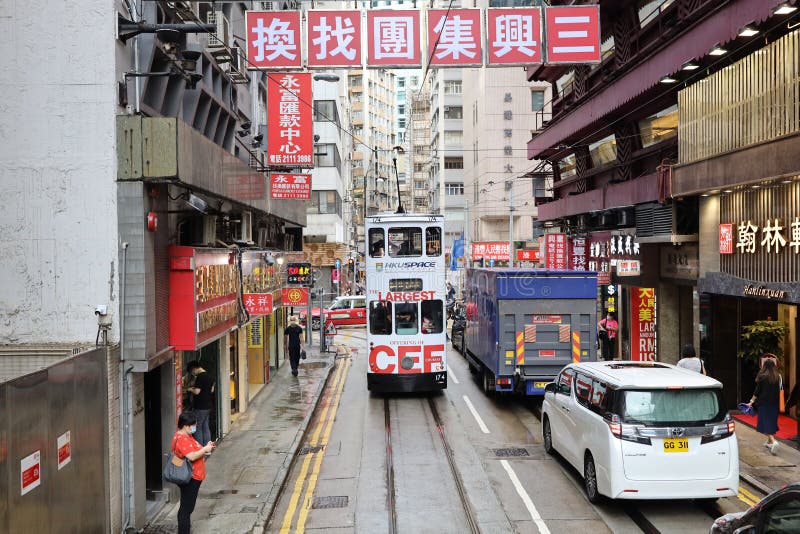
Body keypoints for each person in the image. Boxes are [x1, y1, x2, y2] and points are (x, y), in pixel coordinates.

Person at [172, 411, 215, 534]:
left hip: (194, 476)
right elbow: (191, 456)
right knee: (186, 509)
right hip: (191, 478)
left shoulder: (186, 436)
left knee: (187, 507)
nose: (195, 427)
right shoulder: (182, 439)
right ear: (186, 426)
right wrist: (205, 449)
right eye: (193, 425)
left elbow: (195, 450)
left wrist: (206, 448)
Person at [747, 357, 782, 455]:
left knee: (765, 423)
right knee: (770, 422)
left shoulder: (762, 376)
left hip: (763, 404)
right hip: (774, 404)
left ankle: (773, 441)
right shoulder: (777, 377)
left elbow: (757, 391)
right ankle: (769, 442)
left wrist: (751, 401)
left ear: (764, 366)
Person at [186, 362, 214, 447]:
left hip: (200, 407)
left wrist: (190, 389)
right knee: (205, 426)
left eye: (192, 372)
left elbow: (197, 391)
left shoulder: (200, 377)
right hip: (208, 405)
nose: (193, 374)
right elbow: (211, 390)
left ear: (194, 369)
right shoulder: (210, 376)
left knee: (197, 428)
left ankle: (200, 449)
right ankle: (207, 448)